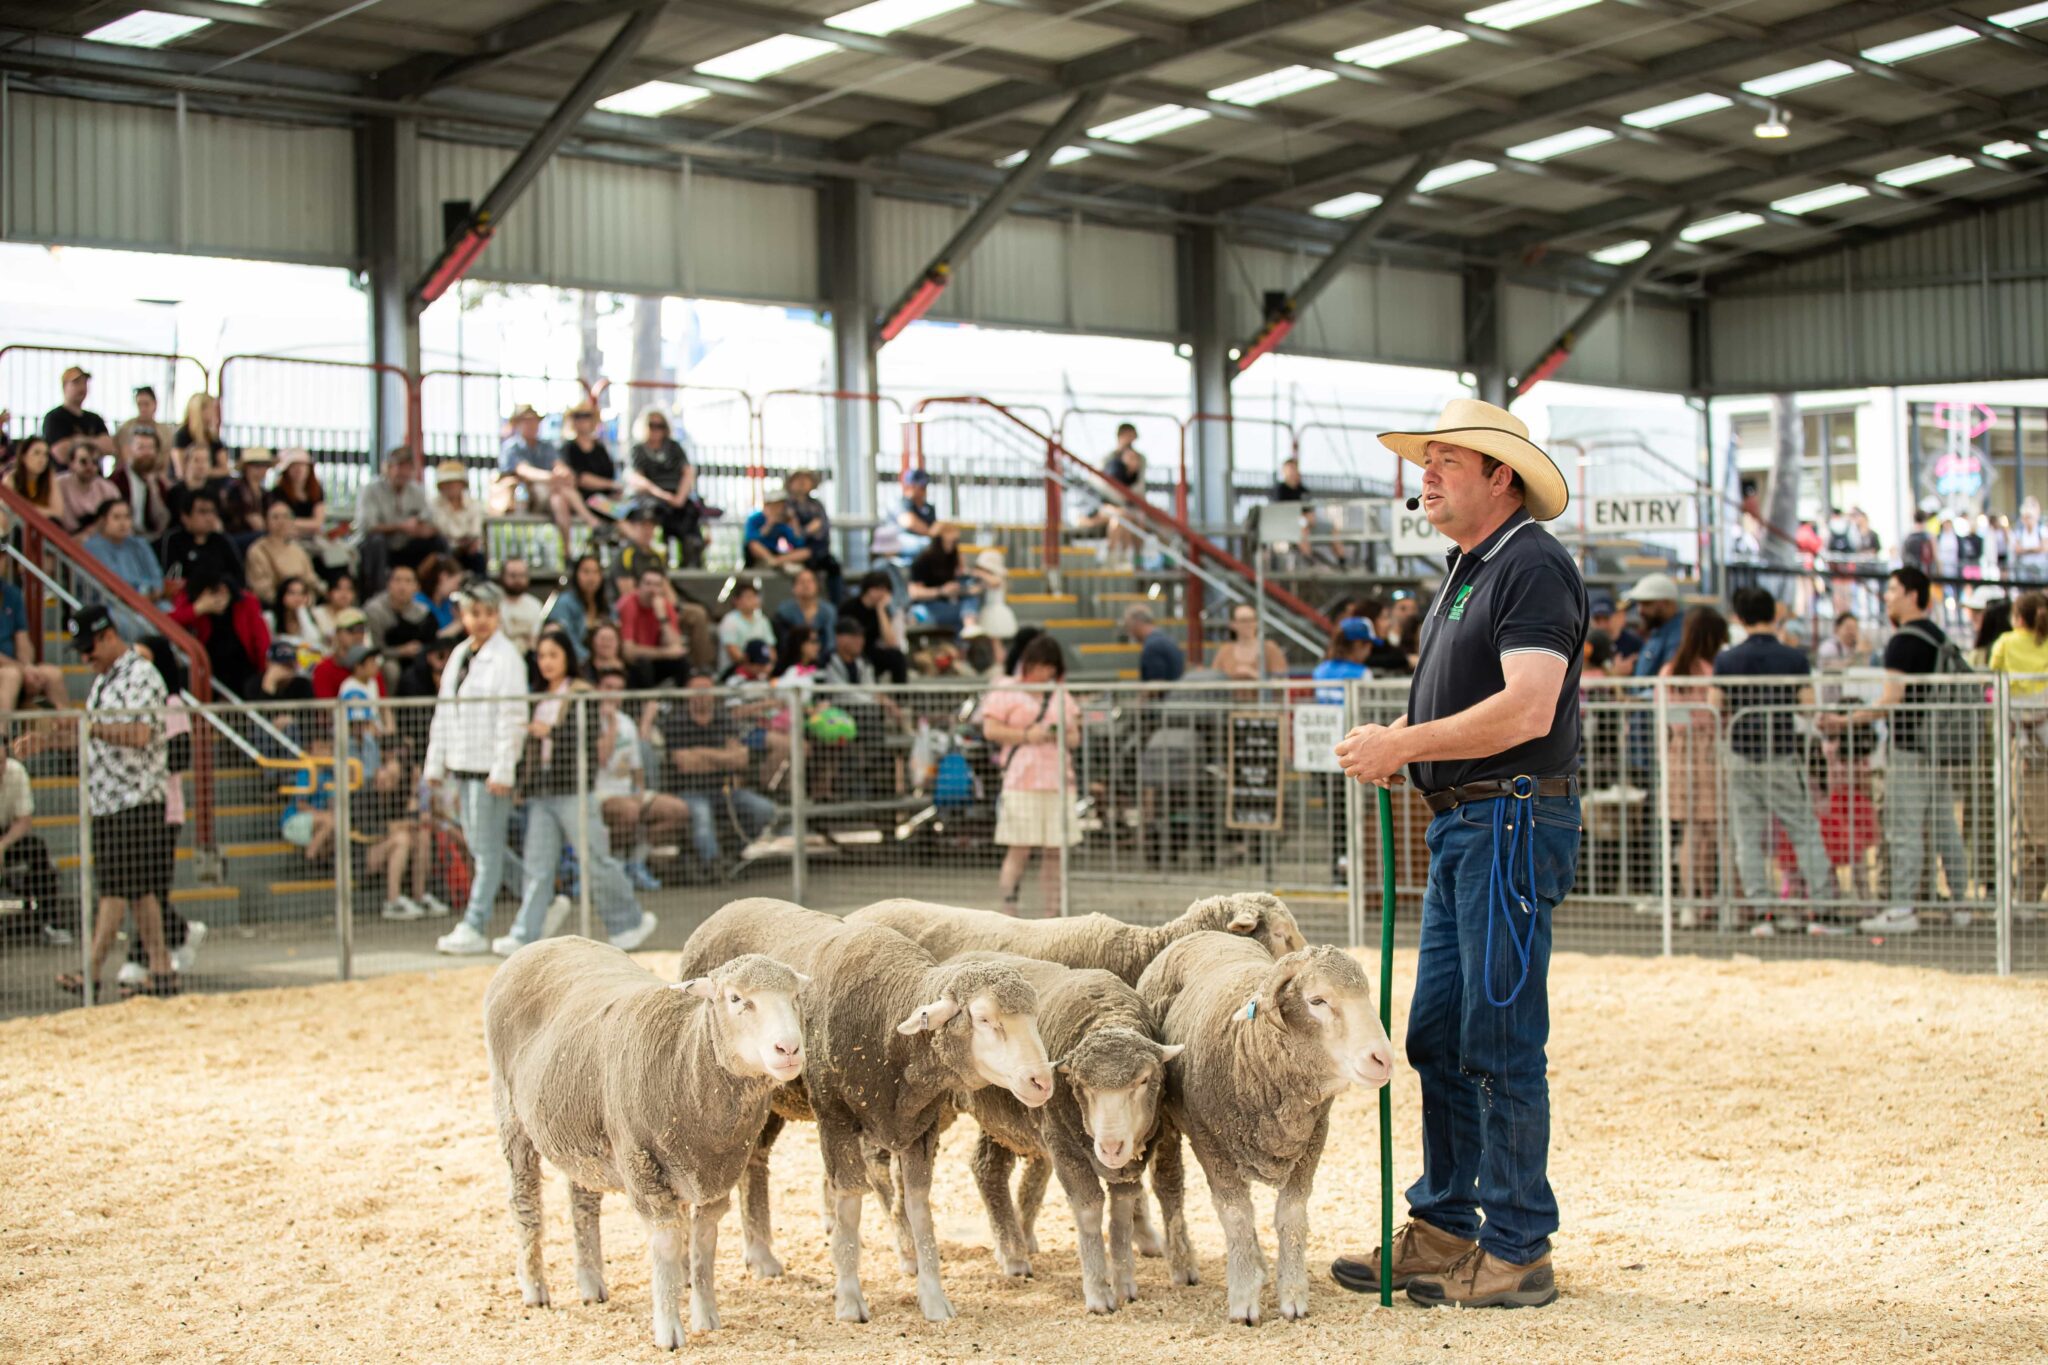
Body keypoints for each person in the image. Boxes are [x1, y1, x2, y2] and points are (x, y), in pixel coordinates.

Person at [1331, 397, 1582, 1308]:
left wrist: (1406, 747)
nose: (1426, 474)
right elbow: (1478, 699)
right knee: (1439, 1032)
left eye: (1447, 460)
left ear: (1500, 476)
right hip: (1469, 824)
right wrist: (1406, 738)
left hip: (1508, 823)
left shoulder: (1532, 567)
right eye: (1426, 459)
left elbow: (1529, 707)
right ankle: (1444, 1222)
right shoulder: (1472, 571)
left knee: (1499, 1036)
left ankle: (1519, 1243)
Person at [28, 605, 175, 1000]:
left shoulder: (140, 675)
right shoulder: (103, 681)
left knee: (113, 887)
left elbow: (140, 734)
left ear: (109, 635)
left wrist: (85, 725)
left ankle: (90, 972)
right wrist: (46, 740)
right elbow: (93, 735)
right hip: (108, 799)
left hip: (136, 796)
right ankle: (162, 970)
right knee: (140, 889)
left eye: (88, 647)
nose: (84, 657)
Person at [1823, 566, 1967, 937]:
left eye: (1892, 589)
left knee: (1903, 827)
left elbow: (1891, 699)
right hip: (1937, 745)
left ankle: (1902, 905)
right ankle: (1961, 903)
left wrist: (1845, 721)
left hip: (1910, 744)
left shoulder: (1904, 642)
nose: (1887, 596)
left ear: (1913, 595)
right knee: (1944, 825)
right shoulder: (1938, 636)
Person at [499, 626, 655, 955]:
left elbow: (583, 739)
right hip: (543, 792)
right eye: (541, 656)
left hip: (573, 791)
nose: (546, 662)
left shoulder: (580, 692)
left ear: (567, 657)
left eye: (553, 655)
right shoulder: (538, 696)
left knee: (596, 859)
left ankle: (628, 922)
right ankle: (526, 931)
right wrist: (523, 783)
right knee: (537, 865)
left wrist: (551, 733)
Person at [1714, 586, 1840, 930]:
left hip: (1742, 756)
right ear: (1774, 614)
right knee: (1804, 831)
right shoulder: (1793, 658)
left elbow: (1714, 707)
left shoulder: (1726, 660)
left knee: (1748, 837)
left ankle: (1760, 911)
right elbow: (1808, 704)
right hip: (1782, 754)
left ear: (1739, 618)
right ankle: (1822, 908)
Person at [425, 582, 529, 955]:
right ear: (464, 616)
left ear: (497, 615)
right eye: (474, 613)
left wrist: (503, 769)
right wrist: (435, 761)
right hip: (462, 762)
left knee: (485, 850)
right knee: (482, 844)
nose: (481, 620)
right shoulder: (459, 654)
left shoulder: (507, 658)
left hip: (489, 769)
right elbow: (443, 710)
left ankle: (475, 922)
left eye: (488, 613)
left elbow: (513, 716)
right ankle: (540, 897)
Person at [981, 634, 1082, 917]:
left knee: (1055, 851)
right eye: (1040, 666)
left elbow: (1075, 736)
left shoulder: (1060, 693)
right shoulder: (1005, 689)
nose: (1044, 672)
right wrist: (1027, 735)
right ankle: (1009, 911)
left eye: (1050, 667)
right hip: (1021, 781)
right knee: (1019, 848)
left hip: (1058, 781)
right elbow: (990, 730)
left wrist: (1058, 734)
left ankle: (1053, 913)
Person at [658, 671, 777, 878]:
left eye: (707, 689)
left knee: (764, 809)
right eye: (697, 690)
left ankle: (732, 852)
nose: (702, 695)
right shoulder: (677, 721)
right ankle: (713, 866)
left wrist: (700, 754)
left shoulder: (724, 718)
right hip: (688, 791)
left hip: (723, 789)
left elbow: (740, 759)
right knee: (702, 816)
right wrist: (722, 756)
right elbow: (685, 764)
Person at [1658, 606, 1728, 920]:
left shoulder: (1669, 671)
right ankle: (1709, 898)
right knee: (1711, 830)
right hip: (1708, 751)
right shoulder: (1712, 671)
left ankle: (1689, 903)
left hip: (1677, 751)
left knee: (1689, 831)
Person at [591, 666, 681, 891]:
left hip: (626, 792)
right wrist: (610, 723)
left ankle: (636, 860)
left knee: (676, 810)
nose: (614, 694)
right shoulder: (590, 720)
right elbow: (602, 758)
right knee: (629, 812)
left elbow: (636, 767)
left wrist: (639, 791)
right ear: (598, 689)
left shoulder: (627, 723)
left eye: (619, 689)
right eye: (609, 687)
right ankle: (613, 865)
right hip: (599, 794)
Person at [170, 562, 272, 698]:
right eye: (213, 592)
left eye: (223, 590)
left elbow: (262, 642)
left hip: (243, 667)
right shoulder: (192, 604)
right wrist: (197, 610)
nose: (219, 596)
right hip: (208, 669)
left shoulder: (247, 603)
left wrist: (265, 672)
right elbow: (166, 623)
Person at [0, 729, 64, 945]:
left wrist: (3, 845)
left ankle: (49, 923)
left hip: (7, 834)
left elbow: (24, 820)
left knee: (37, 848)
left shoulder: (16, 772)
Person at [624, 408, 705, 567]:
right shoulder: (638, 449)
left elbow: (688, 472)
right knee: (653, 512)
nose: (656, 429)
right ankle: (655, 555)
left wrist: (679, 498)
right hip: (651, 496)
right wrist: (661, 494)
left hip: (676, 495)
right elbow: (637, 478)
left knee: (689, 511)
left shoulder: (674, 447)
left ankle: (691, 555)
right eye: (651, 425)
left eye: (660, 425)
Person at [357, 447, 444, 592]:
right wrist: (401, 527)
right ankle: (377, 592)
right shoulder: (371, 490)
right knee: (376, 541)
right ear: (388, 468)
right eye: (399, 467)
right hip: (379, 547)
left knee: (439, 542)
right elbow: (368, 526)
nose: (403, 472)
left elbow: (431, 521)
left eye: (408, 468)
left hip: (407, 545)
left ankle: (432, 592)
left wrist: (424, 530)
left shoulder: (417, 491)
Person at [80, 499, 168, 642]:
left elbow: (157, 578)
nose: (123, 523)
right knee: (127, 623)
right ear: (103, 521)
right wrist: (139, 595)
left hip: (148, 601)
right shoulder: (93, 547)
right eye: (116, 517)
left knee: (171, 612)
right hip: (112, 604)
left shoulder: (140, 544)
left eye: (127, 517)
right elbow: (112, 584)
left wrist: (151, 594)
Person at [0, 568, 67, 716]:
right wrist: (21, 669)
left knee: (53, 674)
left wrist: (28, 667)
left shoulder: (12, 594)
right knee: (11, 675)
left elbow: (23, 640)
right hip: (8, 670)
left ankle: (70, 732)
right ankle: (2, 736)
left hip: (16, 667)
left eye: (2, 555)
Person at [158, 488, 243, 593]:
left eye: (212, 511)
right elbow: (171, 579)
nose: (209, 517)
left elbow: (239, 578)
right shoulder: (172, 540)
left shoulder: (223, 540)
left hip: (222, 598)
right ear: (185, 517)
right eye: (202, 512)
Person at [622, 566, 693, 689]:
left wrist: (662, 617)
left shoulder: (664, 606)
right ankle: (649, 705)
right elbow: (628, 652)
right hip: (632, 665)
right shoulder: (629, 604)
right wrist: (665, 653)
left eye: (657, 585)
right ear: (638, 586)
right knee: (643, 664)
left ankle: (679, 704)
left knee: (682, 663)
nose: (652, 590)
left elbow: (676, 647)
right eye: (648, 584)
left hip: (655, 661)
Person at [365, 562, 434, 684]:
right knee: (391, 669)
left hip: (417, 659)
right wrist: (401, 651)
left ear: (416, 587)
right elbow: (374, 649)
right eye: (397, 580)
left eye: (408, 581)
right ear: (388, 584)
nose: (402, 587)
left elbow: (432, 641)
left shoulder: (423, 611)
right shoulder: (374, 610)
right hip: (383, 659)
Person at [840, 569, 910, 685]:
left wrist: (880, 610)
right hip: (851, 652)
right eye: (878, 589)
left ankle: (901, 698)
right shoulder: (849, 607)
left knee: (897, 657)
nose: (882, 594)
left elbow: (891, 643)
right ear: (868, 589)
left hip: (870, 652)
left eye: (886, 590)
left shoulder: (883, 611)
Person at [907, 523, 980, 634]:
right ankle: (968, 626)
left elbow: (964, 576)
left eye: (955, 542)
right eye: (950, 541)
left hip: (949, 605)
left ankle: (969, 629)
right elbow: (915, 593)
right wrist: (941, 591)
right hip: (928, 607)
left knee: (970, 596)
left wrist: (960, 587)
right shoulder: (923, 560)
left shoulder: (952, 557)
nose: (952, 545)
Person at [243, 499, 318, 606]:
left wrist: (309, 599)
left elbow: (310, 579)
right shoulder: (257, 550)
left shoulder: (298, 551)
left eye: (285, 517)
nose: (281, 521)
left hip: (304, 604)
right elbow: (261, 588)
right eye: (275, 517)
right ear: (267, 522)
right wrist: (286, 602)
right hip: (276, 607)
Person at [559, 399, 622, 525]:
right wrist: (611, 485)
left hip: (605, 499)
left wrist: (613, 489)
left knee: (629, 515)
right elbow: (581, 478)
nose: (582, 421)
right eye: (578, 416)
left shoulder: (600, 448)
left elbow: (609, 473)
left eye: (586, 416)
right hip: (588, 500)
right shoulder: (569, 448)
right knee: (621, 517)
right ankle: (599, 529)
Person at [109, 426, 173, 541]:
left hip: (152, 539)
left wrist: (154, 490)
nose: (146, 453)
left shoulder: (159, 484)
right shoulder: (116, 481)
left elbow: (163, 520)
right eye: (141, 448)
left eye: (150, 448)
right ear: (129, 450)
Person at [42, 366, 113, 469]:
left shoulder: (95, 418)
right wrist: (95, 443)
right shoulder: (54, 418)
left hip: (94, 480)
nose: (82, 387)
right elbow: (60, 453)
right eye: (76, 383)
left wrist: (78, 441)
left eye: (84, 383)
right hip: (63, 479)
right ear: (64, 387)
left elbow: (109, 447)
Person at [545, 553, 610, 665]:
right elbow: (567, 640)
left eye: (596, 572)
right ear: (576, 575)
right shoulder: (564, 603)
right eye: (586, 572)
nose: (591, 577)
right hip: (575, 663)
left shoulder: (606, 604)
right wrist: (590, 662)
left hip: (604, 662)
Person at [783, 468, 839, 597]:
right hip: (796, 550)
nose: (802, 483)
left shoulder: (816, 504)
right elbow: (791, 532)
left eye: (806, 480)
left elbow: (822, 528)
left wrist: (805, 530)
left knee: (833, 568)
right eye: (798, 479)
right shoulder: (787, 504)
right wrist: (807, 530)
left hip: (818, 550)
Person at [430, 459, 488, 576]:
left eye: (454, 482)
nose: (451, 486)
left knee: (478, 558)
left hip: (469, 550)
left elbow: (475, 532)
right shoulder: (433, 505)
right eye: (447, 483)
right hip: (444, 551)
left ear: (462, 484)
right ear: (440, 486)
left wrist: (468, 543)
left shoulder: (474, 505)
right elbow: (440, 530)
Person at [1211, 601, 1288, 682]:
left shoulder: (1270, 648)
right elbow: (1213, 679)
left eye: (1251, 620)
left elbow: (1281, 681)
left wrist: (1254, 675)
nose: (1248, 624)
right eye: (1243, 621)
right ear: (1233, 624)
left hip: (1261, 695)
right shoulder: (1225, 651)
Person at [774, 565, 836, 663]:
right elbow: (783, 643)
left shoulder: (828, 611)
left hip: (823, 661)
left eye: (810, 581)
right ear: (793, 587)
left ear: (817, 586)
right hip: (792, 662)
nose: (806, 586)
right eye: (801, 582)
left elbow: (830, 642)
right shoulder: (784, 611)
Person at [962, 549, 1018, 658]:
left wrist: (980, 574)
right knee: (991, 643)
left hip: (996, 611)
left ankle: (1000, 663)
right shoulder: (985, 581)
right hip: (988, 610)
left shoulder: (997, 579)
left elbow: (995, 582)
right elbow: (975, 590)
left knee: (996, 642)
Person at [57, 445, 122, 535]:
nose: (89, 466)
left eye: (95, 462)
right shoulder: (59, 484)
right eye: (83, 462)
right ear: (72, 464)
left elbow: (120, 516)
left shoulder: (107, 488)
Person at [716, 579, 776, 675]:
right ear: (737, 601)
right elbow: (734, 653)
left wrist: (767, 665)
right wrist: (751, 667)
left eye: (754, 596)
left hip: (762, 669)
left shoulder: (763, 621)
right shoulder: (730, 621)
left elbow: (771, 650)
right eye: (748, 597)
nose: (753, 600)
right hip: (734, 671)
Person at [267, 448, 328, 542]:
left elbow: (318, 522)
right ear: (286, 470)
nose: (299, 469)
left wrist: (293, 523)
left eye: (302, 465)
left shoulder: (317, 491)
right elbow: (281, 521)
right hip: (288, 539)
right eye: (294, 466)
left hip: (313, 539)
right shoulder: (278, 492)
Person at [1312, 618, 1377, 704]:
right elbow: (1368, 708)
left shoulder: (1319, 670)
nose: (1370, 650)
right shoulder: (1363, 673)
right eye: (1369, 645)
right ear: (1358, 644)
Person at [312, 607, 371, 699]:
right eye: (352, 630)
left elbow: (384, 706)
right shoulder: (324, 669)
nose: (358, 635)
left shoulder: (371, 667)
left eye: (361, 629)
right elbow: (325, 708)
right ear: (338, 633)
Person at [5, 435, 65, 524]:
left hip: (42, 529)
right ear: (23, 457)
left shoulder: (49, 478)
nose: (42, 459)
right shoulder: (11, 479)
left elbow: (58, 513)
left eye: (45, 454)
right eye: (36, 453)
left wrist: (27, 509)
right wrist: (42, 511)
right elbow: (8, 513)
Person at [744, 491, 811, 572]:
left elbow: (797, 543)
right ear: (766, 506)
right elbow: (751, 540)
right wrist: (768, 524)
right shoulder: (754, 518)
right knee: (754, 545)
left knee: (806, 552)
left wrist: (794, 524)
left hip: (775, 554)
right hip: (757, 554)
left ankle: (777, 562)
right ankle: (773, 561)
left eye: (781, 506)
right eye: (775, 506)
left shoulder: (783, 521)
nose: (778, 509)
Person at [173, 393, 232, 482]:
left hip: (211, 486)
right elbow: (181, 471)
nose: (214, 413)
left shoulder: (213, 438)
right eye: (211, 408)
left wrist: (201, 472)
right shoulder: (182, 435)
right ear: (200, 410)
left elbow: (225, 470)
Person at [221, 447, 274, 539]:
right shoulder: (236, 490)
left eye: (265, 466)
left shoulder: (266, 493)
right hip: (239, 535)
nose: (262, 470)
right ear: (246, 467)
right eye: (257, 466)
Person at [1123, 605, 1185, 683]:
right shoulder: (1167, 640)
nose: (1130, 632)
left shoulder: (1152, 646)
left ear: (1137, 623)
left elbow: (1155, 686)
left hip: (1167, 695)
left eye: (1129, 626)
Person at [497, 558, 544, 656]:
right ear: (502, 576)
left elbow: (535, 639)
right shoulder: (494, 605)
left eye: (522, 575)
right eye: (513, 575)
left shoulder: (535, 605)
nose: (518, 580)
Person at [270, 576, 326, 659]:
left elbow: (314, 642)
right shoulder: (270, 618)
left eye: (302, 593)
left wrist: (302, 612)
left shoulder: (315, 614)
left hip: (307, 662)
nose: (297, 598)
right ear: (282, 596)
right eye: (292, 593)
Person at [112, 385, 173, 460]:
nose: (143, 409)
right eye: (139, 404)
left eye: (146, 404)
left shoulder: (164, 431)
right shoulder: (126, 428)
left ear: (155, 404)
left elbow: (166, 458)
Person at [892, 467, 939, 561]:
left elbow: (935, 527)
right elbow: (909, 522)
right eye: (921, 486)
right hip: (902, 540)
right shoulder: (901, 503)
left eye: (925, 486)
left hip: (925, 541)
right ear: (910, 486)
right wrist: (931, 532)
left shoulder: (929, 507)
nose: (924, 489)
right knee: (926, 544)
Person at [415, 553, 461, 634]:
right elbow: (430, 639)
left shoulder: (448, 603)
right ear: (443, 577)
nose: (457, 588)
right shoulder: (418, 603)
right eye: (456, 583)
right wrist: (459, 623)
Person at [309, 573, 357, 650]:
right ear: (328, 593)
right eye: (338, 589)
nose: (344, 594)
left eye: (349, 589)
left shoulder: (357, 615)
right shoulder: (315, 614)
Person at [2016, 497, 2047, 584]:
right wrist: (2034, 549)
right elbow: (2017, 549)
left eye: (2030, 517)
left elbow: (2044, 548)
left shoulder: (2042, 530)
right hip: (2024, 568)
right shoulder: (2021, 531)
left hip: (2040, 568)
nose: (2028, 520)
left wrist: (2026, 550)